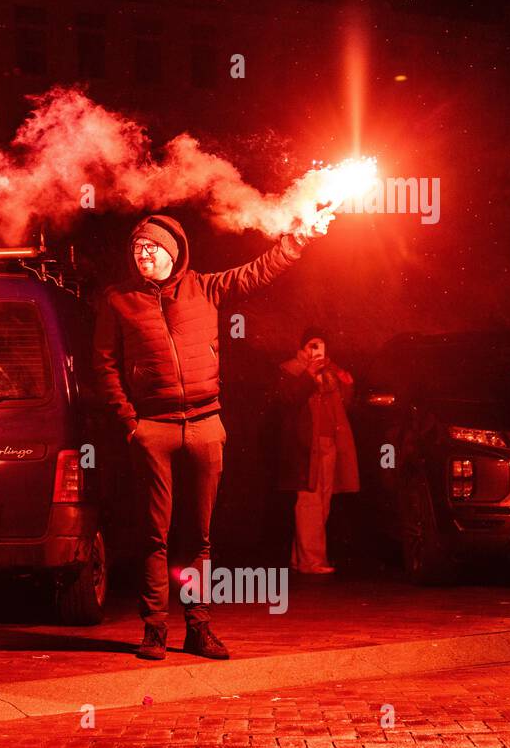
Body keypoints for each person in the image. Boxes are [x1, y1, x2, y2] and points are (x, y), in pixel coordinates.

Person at [93, 214, 321, 662]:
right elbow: (104, 366)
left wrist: (295, 241)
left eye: (152, 247)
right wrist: (130, 424)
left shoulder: (204, 287)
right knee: (155, 536)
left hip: (205, 424)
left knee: (199, 538)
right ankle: (154, 629)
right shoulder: (118, 301)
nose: (143, 254)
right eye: (137, 247)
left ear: (172, 251)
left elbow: (257, 272)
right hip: (153, 429)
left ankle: (198, 627)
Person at [277, 327, 359, 574]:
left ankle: (300, 558)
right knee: (309, 503)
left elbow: (343, 407)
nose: (316, 350)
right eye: (312, 344)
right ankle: (312, 562)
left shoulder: (330, 372)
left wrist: (347, 385)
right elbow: (289, 399)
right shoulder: (290, 370)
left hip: (329, 443)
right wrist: (309, 375)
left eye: (321, 345)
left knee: (322, 503)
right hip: (306, 446)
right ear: (302, 348)